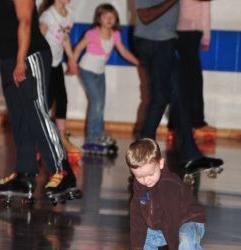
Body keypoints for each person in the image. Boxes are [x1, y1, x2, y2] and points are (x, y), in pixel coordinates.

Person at [0, 0, 80, 202]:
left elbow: (25, 21)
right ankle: (24, 175)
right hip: (7, 58)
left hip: (28, 55)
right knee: (19, 117)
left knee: (37, 113)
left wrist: (21, 60)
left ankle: (63, 172)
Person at [134, 0, 223, 174]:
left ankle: (191, 156)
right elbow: (145, 16)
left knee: (181, 96)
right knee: (160, 97)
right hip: (152, 43)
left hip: (166, 42)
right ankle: (142, 153)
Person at [126, 138, 214, 250]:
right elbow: (137, 216)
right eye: (139, 177)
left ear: (160, 163)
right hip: (163, 223)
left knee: (186, 242)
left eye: (150, 174)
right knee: (145, 234)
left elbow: (172, 218)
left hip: (188, 221)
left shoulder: (169, 185)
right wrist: (137, 246)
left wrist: (175, 247)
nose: (146, 181)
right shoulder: (140, 186)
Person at [72, 3, 139, 153]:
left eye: (112, 17)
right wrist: (72, 64)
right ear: (99, 18)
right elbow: (78, 48)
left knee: (100, 104)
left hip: (100, 72)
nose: (109, 19)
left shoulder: (115, 35)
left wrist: (138, 62)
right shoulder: (92, 33)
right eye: (106, 16)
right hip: (87, 70)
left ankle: (99, 135)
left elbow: (124, 52)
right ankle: (91, 139)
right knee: (96, 102)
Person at [39, 0, 81, 158]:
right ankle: (39, 138)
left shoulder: (69, 16)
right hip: (45, 63)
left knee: (62, 98)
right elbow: (39, 40)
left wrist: (71, 60)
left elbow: (64, 39)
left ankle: (62, 137)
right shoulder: (48, 15)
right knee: (47, 100)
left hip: (56, 63)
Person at [177, 0, 214, 133]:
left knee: (181, 79)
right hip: (193, 31)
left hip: (176, 32)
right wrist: (206, 38)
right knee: (194, 80)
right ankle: (197, 121)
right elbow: (205, 13)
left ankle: (177, 122)